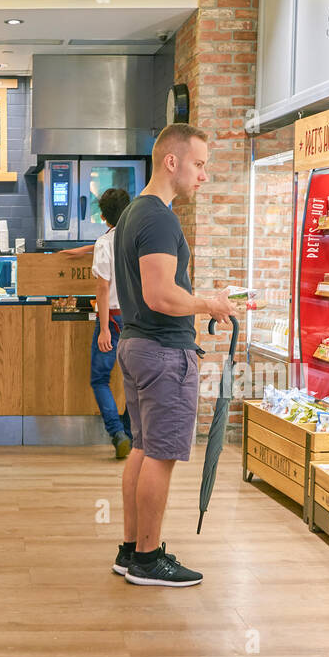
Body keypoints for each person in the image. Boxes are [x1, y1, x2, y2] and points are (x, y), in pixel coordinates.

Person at [111, 123, 239, 587]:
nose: (203, 175)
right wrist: (209, 303)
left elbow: (159, 292)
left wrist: (208, 301)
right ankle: (147, 559)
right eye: (199, 164)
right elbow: (162, 295)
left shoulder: (132, 214)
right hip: (163, 351)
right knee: (160, 455)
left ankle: (131, 549)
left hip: (137, 346)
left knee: (143, 449)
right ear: (172, 161)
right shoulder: (159, 217)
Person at [91, 187, 134, 460]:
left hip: (114, 318)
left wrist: (105, 328)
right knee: (135, 380)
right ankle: (130, 436)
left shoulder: (104, 243)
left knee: (99, 379)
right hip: (137, 318)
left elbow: (103, 288)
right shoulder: (139, 240)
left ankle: (117, 433)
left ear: (104, 217)